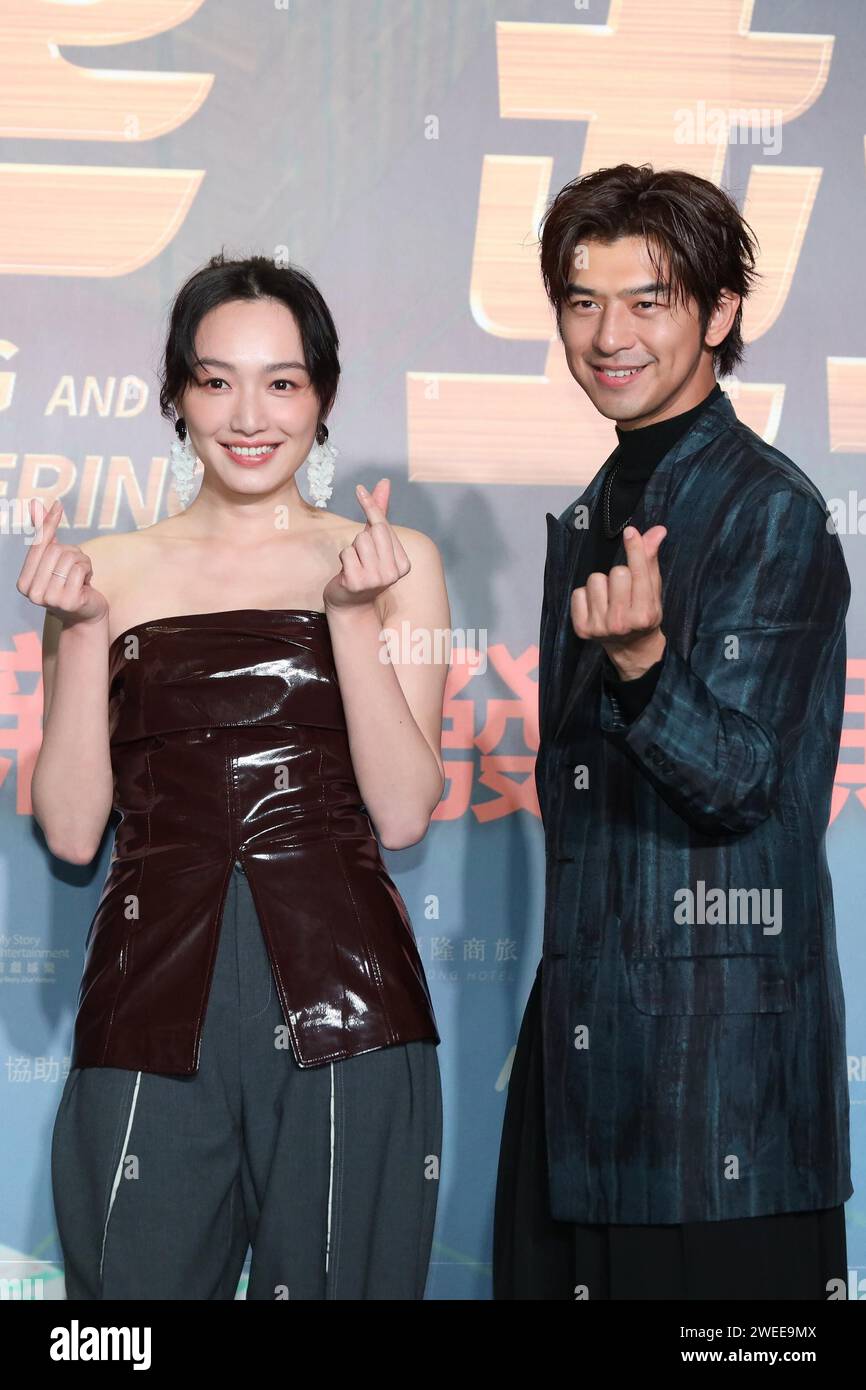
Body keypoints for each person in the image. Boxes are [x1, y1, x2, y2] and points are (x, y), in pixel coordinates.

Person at [23, 252, 449, 1300]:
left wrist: (347, 619)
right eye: (215, 380)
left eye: (282, 381)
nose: (248, 414)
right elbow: (73, 834)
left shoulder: (391, 562)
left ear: (323, 394)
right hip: (149, 996)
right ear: (174, 395)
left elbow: (402, 810)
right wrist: (83, 638)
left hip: (349, 1001)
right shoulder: (103, 574)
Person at [494, 164, 852, 1300]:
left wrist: (646, 669)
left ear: (718, 312)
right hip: (584, 1061)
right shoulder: (598, 504)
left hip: (720, 1099)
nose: (608, 334)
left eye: (647, 300)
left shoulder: (769, 510)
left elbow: (746, 781)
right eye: (581, 299)